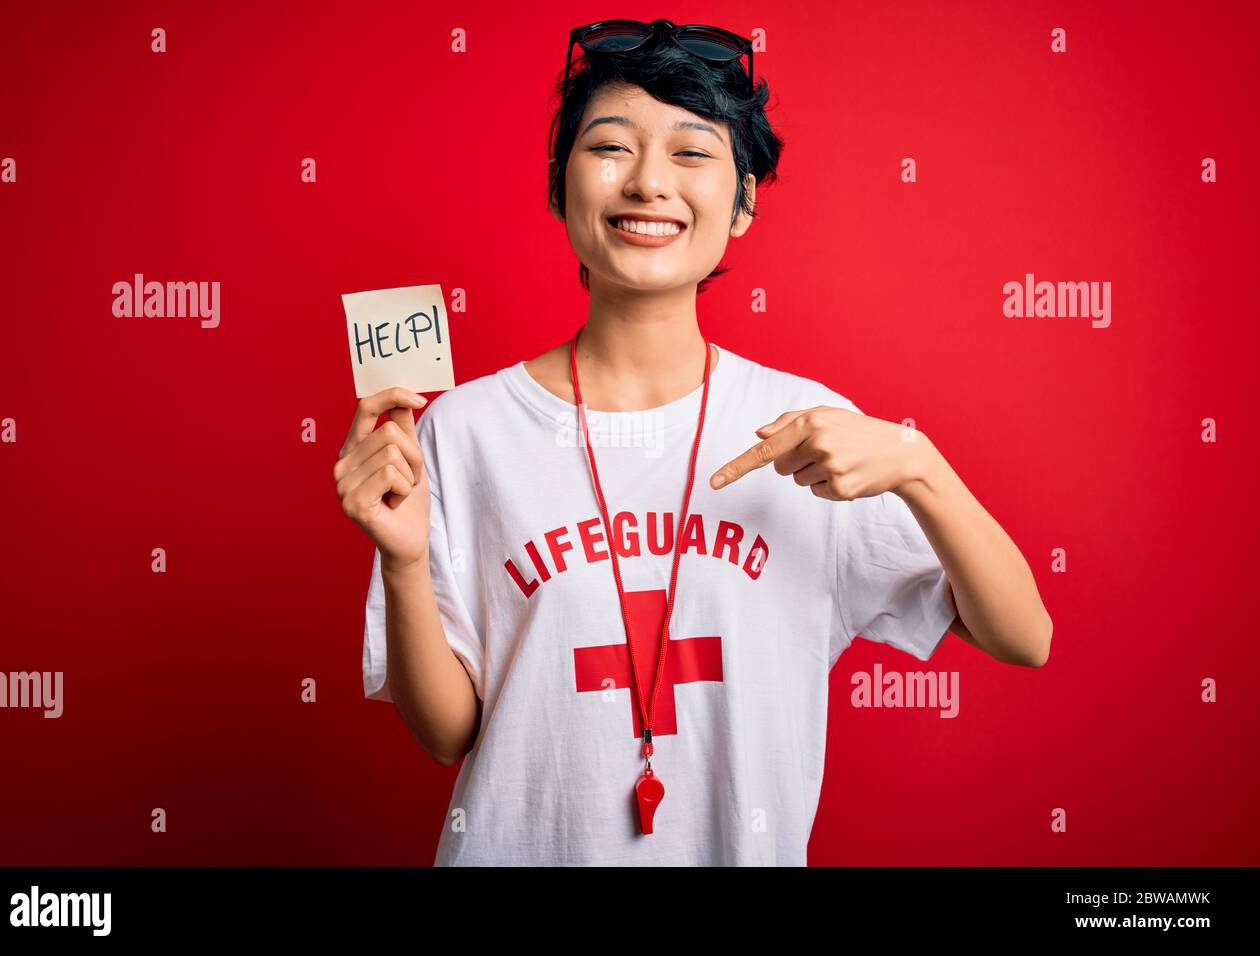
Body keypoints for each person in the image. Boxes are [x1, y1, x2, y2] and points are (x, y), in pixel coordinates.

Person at [333, 19, 1052, 866]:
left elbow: (1024, 636)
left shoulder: (811, 427)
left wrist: (920, 467)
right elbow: (448, 734)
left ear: (743, 202)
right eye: (609, 147)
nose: (646, 183)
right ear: (561, 188)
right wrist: (404, 559)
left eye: (691, 153)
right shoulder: (461, 431)